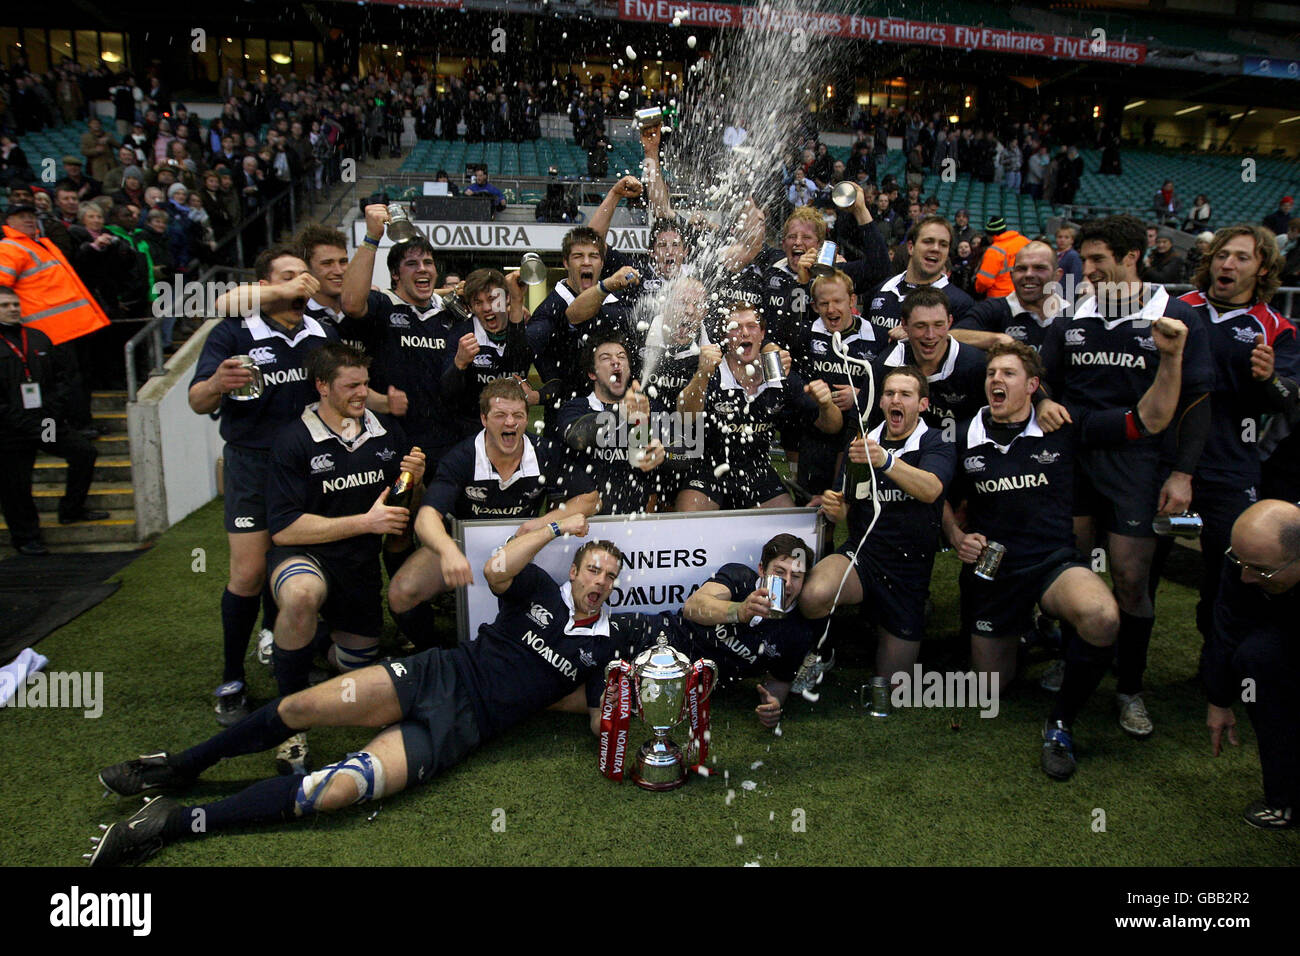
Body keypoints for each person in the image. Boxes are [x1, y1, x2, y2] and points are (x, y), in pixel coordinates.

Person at [90, 513, 636, 866]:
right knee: (303, 704)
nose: (599, 582)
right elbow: (496, 569)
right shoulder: (539, 587)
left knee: (340, 790)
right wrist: (559, 528)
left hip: (458, 729)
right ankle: (181, 766)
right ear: (575, 573)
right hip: (434, 675)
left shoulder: (604, 650)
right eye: (593, 570)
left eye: (610, 577)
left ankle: (168, 824)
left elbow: (596, 722)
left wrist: (630, 699)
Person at [944, 332, 1187, 779]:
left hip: (1051, 562)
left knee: (1102, 616)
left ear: (1032, 385)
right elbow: (938, 494)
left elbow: (1146, 420)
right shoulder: (963, 434)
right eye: (992, 373)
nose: (996, 379)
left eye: (1009, 374)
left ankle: (1060, 722)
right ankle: (1036, 636)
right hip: (992, 569)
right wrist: (957, 534)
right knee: (990, 690)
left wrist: (1170, 358)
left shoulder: (1063, 425)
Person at [1038, 214, 1214, 738]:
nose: (1085, 269)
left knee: (1132, 577)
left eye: (1098, 261)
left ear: (1132, 258)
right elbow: (1044, 382)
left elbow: (1198, 402)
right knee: (1075, 566)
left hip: (1138, 465)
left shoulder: (1175, 317)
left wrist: (1182, 473)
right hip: (1077, 459)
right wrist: (1044, 403)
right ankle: (1076, 658)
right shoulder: (1072, 314)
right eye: (1084, 259)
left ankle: (1129, 687)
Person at [189, 245, 337, 726]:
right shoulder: (235, 330)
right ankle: (232, 677)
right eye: (288, 277)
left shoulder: (321, 330)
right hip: (253, 464)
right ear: (263, 286)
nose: (301, 284)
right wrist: (216, 384)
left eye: (303, 275)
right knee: (249, 573)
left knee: (302, 563)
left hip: (308, 465)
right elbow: (196, 399)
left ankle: (290, 651)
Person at [259, 343, 426, 772]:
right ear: (322, 386)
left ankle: (310, 644)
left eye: (365, 384)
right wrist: (364, 523)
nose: (361, 393)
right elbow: (284, 528)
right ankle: (290, 722)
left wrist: (416, 481)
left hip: (359, 569)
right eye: (351, 386)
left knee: (355, 665)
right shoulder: (293, 439)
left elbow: (398, 514)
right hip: (305, 555)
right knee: (300, 595)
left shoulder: (386, 432)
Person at [386, 378, 598, 649]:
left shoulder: (544, 451)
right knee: (401, 591)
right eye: (500, 415)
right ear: (484, 419)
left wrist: (543, 522)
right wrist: (448, 551)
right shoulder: (462, 457)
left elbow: (590, 499)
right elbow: (427, 517)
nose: (510, 423)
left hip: (521, 547)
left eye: (518, 415)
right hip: (464, 546)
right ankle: (437, 651)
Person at [1169, 225, 1299, 646]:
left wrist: (1269, 378)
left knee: (1231, 571)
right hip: (1165, 462)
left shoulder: (1276, 328)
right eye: (1223, 254)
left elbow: (1288, 399)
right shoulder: (1174, 309)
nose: (1228, 264)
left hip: (1230, 466)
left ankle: (1220, 668)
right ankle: (1123, 672)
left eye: (1242, 257)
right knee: (1138, 565)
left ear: (1263, 268)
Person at [799, 366, 954, 690]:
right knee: (813, 593)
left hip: (910, 570)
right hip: (865, 556)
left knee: (892, 685)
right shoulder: (862, 442)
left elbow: (930, 490)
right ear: (881, 401)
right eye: (889, 393)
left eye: (905, 394)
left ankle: (887, 619)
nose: (896, 400)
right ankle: (822, 651)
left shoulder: (935, 441)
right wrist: (834, 504)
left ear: (922, 404)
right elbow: (845, 507)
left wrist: (885, 460)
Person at [675, 302, 840, 510]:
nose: (744, 332)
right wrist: (702, 375)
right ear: (726, 337)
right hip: (708, 471)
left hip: (757, 472)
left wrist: (826, 404)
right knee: (689, 527)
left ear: (762, 334)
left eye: (752, 326)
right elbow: (682, 418)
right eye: (735, 327)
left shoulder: (779, 374)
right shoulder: (712, 369)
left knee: (786, 536)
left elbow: (832, 426)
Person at [341, 207, 458, 481]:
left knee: (440, 517)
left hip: (445, 439)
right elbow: (351, 303)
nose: (423, 269)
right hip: (394, 439)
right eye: (412, 264)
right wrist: (372, 238)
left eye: (428, 263)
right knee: (399, 517)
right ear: (395, 275)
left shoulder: (449, 313)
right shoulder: (384, 306)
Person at [1203, 499, 1300, 829]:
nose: (1245, 577)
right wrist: (1218, 699)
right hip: (1283, 623)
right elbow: (1227, 623)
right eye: (1240, 562)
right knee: (1257, 658)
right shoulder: (1245, 558)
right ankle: (1284, 798)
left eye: (1259, 569)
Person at [0, 285, 107, 556]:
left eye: (15, 304)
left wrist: (53, 411)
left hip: (46, 423)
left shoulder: (37, 338)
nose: (13, 309)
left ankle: (71, 510)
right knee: (16, 485)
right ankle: (26, 537)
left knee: (84, 452)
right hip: (10, 430)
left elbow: (61, 378)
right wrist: (19, 419)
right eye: (5, 305)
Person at [672, 534, 821, 727]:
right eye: (779, 572)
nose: (788, 583)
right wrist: (739, 611)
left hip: (693, 684)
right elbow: (691, 608)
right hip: (667, 636)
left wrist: (774, 704)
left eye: (797, 576)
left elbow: (779, 680)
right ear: (762, 570)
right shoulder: (740, 577)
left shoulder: (797, 631)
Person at [791, 268, 884, 498]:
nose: (831, 309)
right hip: (816, 431)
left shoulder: (878, 337)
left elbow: (889, 386)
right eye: (823, 303)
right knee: (810, 501)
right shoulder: (804, 335)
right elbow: (794, 379)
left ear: (852, 300)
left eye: (837, 301)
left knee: (846, 501)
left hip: (857, 434)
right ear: (814, 306)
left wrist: (859, 395)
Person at [559, 336, 668, 514]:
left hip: (638, 515)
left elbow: (683, 454)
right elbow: (576, 437)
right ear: (592, 373)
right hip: (585, 517)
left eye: (621, 356)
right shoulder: (575, 407)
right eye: (605, 358)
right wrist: (620, 415)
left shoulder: (649, 406)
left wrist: (663, 452)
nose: (615, 361)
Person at [869, 287, 987, 430]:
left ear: (949, 322)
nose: (930, 335)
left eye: (938, 325)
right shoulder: (887, 363)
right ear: (904, 325)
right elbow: (863, 423)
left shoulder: (977, 366)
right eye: (921, 326)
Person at [862, 215, 973, 338]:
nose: (936, 248)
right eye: (928, 241)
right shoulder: (880, 289)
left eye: (943, 244)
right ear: (911, 247)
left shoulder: (960, 303)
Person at [954, 241, 1067, 353]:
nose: (1029, 274)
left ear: (1057, 276)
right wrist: (997, 339)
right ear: (1012, 276)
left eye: (1039, 268)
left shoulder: (1073, 315)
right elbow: (952, 335)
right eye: (1021, 269)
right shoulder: (994, 309)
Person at [974, 216, 1030, 300]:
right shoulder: (1024, 241)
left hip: (1000, 297)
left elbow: (984, 281)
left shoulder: (994, 251)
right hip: (1023, 293)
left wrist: (978, 289)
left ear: (991, 235)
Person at [1055, 225, 1083, 290]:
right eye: (1060, 237)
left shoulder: (1073, 256)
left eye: (1066, 237)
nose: (1062, 240)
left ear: (1072, 240)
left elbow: (1075, 279)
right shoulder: (1053, 254)